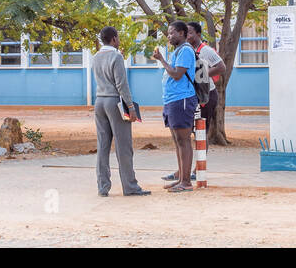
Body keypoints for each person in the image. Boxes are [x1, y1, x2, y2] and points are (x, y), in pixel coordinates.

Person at [162, 21, 228, 183]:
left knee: (199, 133)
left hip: (205, 94)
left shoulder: (203, 50)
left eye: (191, 33)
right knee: (183, 135)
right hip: (188, 95)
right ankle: (182, 172)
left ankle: (195, 170)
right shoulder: (184, 50)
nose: (189, 35)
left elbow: (221, 66)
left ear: (197, 34)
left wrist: (202, 76)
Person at [90, 27, 150, 198]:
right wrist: (130, 107)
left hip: (99, 101)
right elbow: (121, 84)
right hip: (114, 102)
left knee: (103, 146)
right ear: (114, 39)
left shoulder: (95, 57)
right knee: (124, 146)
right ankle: (130, 186)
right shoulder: (116, 56)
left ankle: (103, 187)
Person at [152, 20, 197, 192]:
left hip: (182, 99)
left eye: (172, 33)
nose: (169, 36)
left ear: (182, 33)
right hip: (172, 100)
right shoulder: (177, 51)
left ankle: (186, 182)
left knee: (184, 140)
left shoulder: (185, 50)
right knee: (177, 141)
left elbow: (177, 74)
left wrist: (162, 59)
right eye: (168, 33)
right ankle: (181, 178)